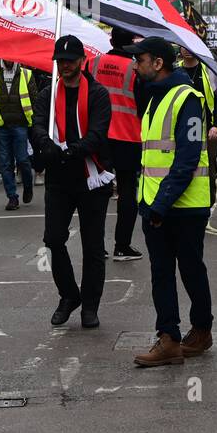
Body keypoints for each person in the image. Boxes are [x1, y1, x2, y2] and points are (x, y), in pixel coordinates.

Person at [127, 36, 213, 367]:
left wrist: (161, 204)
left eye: (141, 60)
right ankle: (169, 337)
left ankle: (202, 330)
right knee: (161, 271)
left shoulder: (186, 98)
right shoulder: (153, 98)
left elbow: (187, 159)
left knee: (191, 269)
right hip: (155, 203)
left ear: (158, 63)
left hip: (185, 205)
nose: (136, 65)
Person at [31, 35, 113, 329]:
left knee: (93, 247)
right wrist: (46, 144)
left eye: (69, 61)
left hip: (92, 177)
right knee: (53, 239)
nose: (64, 66)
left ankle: (90, 306)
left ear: (82, 61)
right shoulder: (47, 95)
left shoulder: (98, 94)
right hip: (59, 179)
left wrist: (70, 150)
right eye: (60, 61)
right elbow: (38, 125)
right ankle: (69, 295)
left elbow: (98, 133)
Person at [90, 28, 143, 261]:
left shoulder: (92, 63)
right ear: (131, 43)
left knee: (97, 192)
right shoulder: (135, 69)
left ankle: (96, 246)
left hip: (98, 136)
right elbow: (143, 104)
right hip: (128, 136)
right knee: (127, 191)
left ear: (110, 40)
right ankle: (122, 245)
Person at [0, 57, 37, 211]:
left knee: (23, 160)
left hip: (21, 125)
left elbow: (34, 98)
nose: (8, 59)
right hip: (1, 125)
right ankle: (12, 198)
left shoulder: (26, 74)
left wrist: (35, 121)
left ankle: (28, 187)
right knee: (5, 163)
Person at [178, 45, 217, 196]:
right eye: (182, 47)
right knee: (184, 166)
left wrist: (216, 126)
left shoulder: (209, 70)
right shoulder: (175, 71)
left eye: (188, 46)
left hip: (206, 128)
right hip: (182, 129)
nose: (186, 50)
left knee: (208, 168)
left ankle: (208, 200)